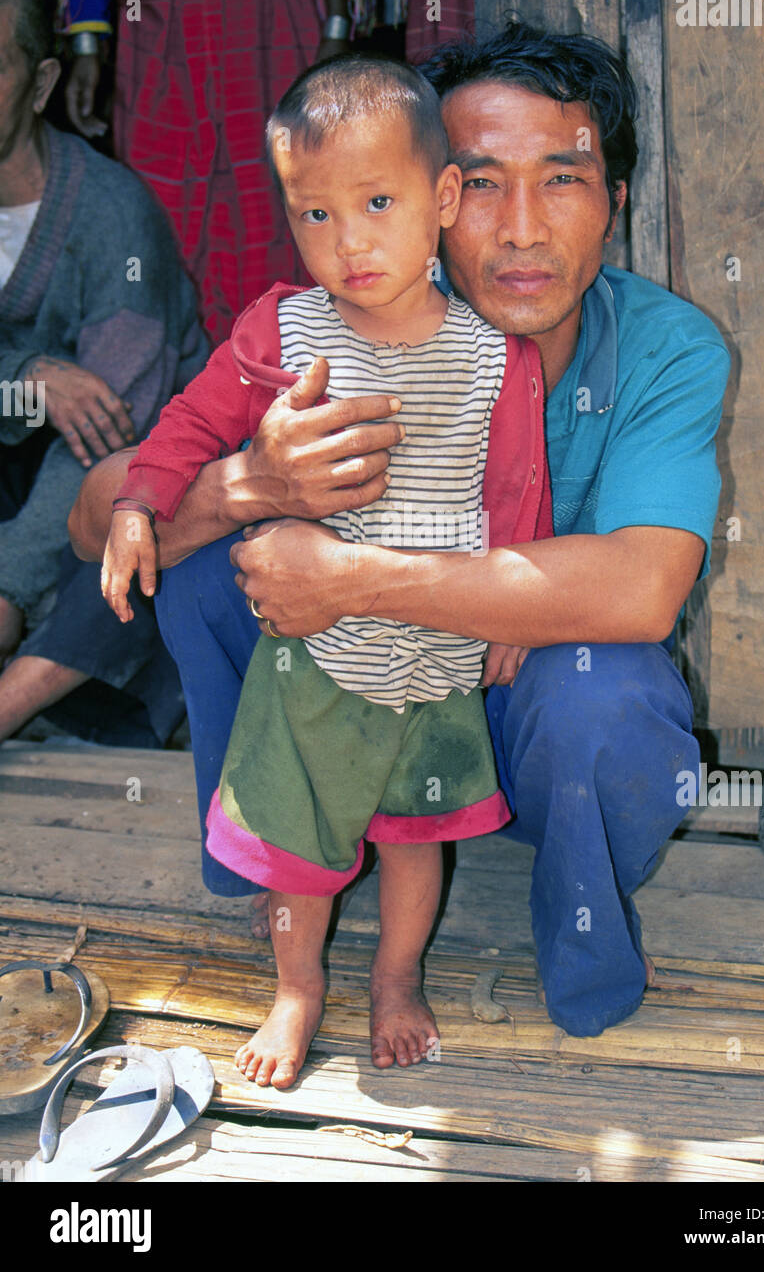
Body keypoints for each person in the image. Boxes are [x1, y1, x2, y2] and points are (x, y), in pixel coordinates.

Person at [69, 22, 731, 1042]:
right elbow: (95, 518)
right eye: (478, 183)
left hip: (508, 704)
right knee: (206, 576)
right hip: (342, 688)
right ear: (438, 197)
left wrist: (347, 574)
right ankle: (274, 847)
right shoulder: (336, 322)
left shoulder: (662, 346)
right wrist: (258, 483)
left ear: (615, 201)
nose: (516, 228)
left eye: (560, 180)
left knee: (609, 689)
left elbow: (640, 588)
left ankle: (572, 900)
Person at [99, 54, 553, 1086]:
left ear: (441, 200)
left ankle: (396, 980)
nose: (346, 244)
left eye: (377, 203)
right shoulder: (280, 329)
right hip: (312, 660)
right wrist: (139, 503)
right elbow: (190, 422)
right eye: (313, 215)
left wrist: (511, 616)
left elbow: (515, 491)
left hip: (431, 657)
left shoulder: (492, 352)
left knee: (410, 840)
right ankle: (296, 987)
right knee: (301, 850)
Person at [0, 0, 208, 745]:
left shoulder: (113, 217)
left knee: (140, 523)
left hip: (118, 486)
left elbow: (107, 440)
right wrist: (24, 381)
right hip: (22, 484)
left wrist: (5, 590)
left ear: (43, 81)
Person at [54, 0, 356, 345]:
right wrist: (86, 42)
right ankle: (193, 387)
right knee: (161, 202)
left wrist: (338, 20)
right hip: (148, 13)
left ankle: (296, 367)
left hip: (269, 2)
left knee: (284, 192)